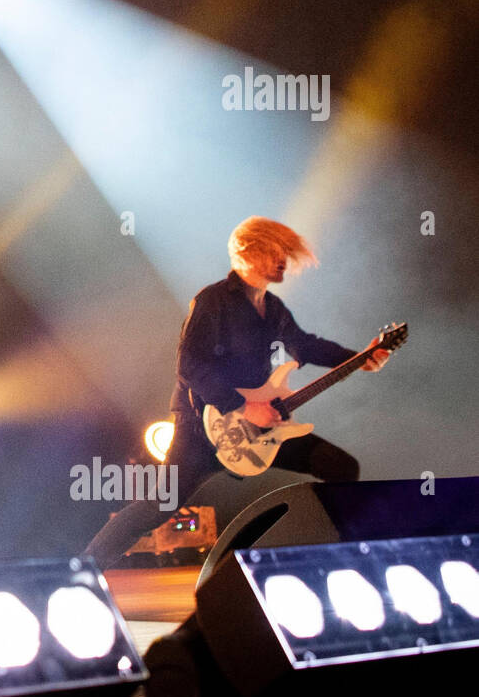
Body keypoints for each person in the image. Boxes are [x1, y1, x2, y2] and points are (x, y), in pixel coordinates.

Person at [82, 217, 391, 570]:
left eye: (286, 253)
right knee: (159, 506)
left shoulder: (272, 308)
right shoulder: (212, 301)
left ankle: (332, 562)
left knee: (342, 467)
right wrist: (243, 406)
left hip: (257, 430)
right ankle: (81, 572)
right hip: (199, 428)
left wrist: (360, 358)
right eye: (275, 252)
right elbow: (189, 366)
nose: (283, 260)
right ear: (247, 254)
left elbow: (304, 344)